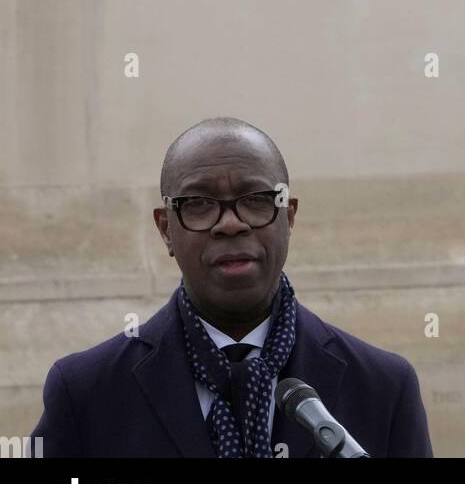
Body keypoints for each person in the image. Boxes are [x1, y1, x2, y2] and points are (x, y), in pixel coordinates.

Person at [32, 117, 433, 458]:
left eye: (256, 199)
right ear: (165, 229)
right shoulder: (86, 392)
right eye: (199, 204)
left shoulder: (383, 387)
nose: (230, 223)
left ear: (288, 216)